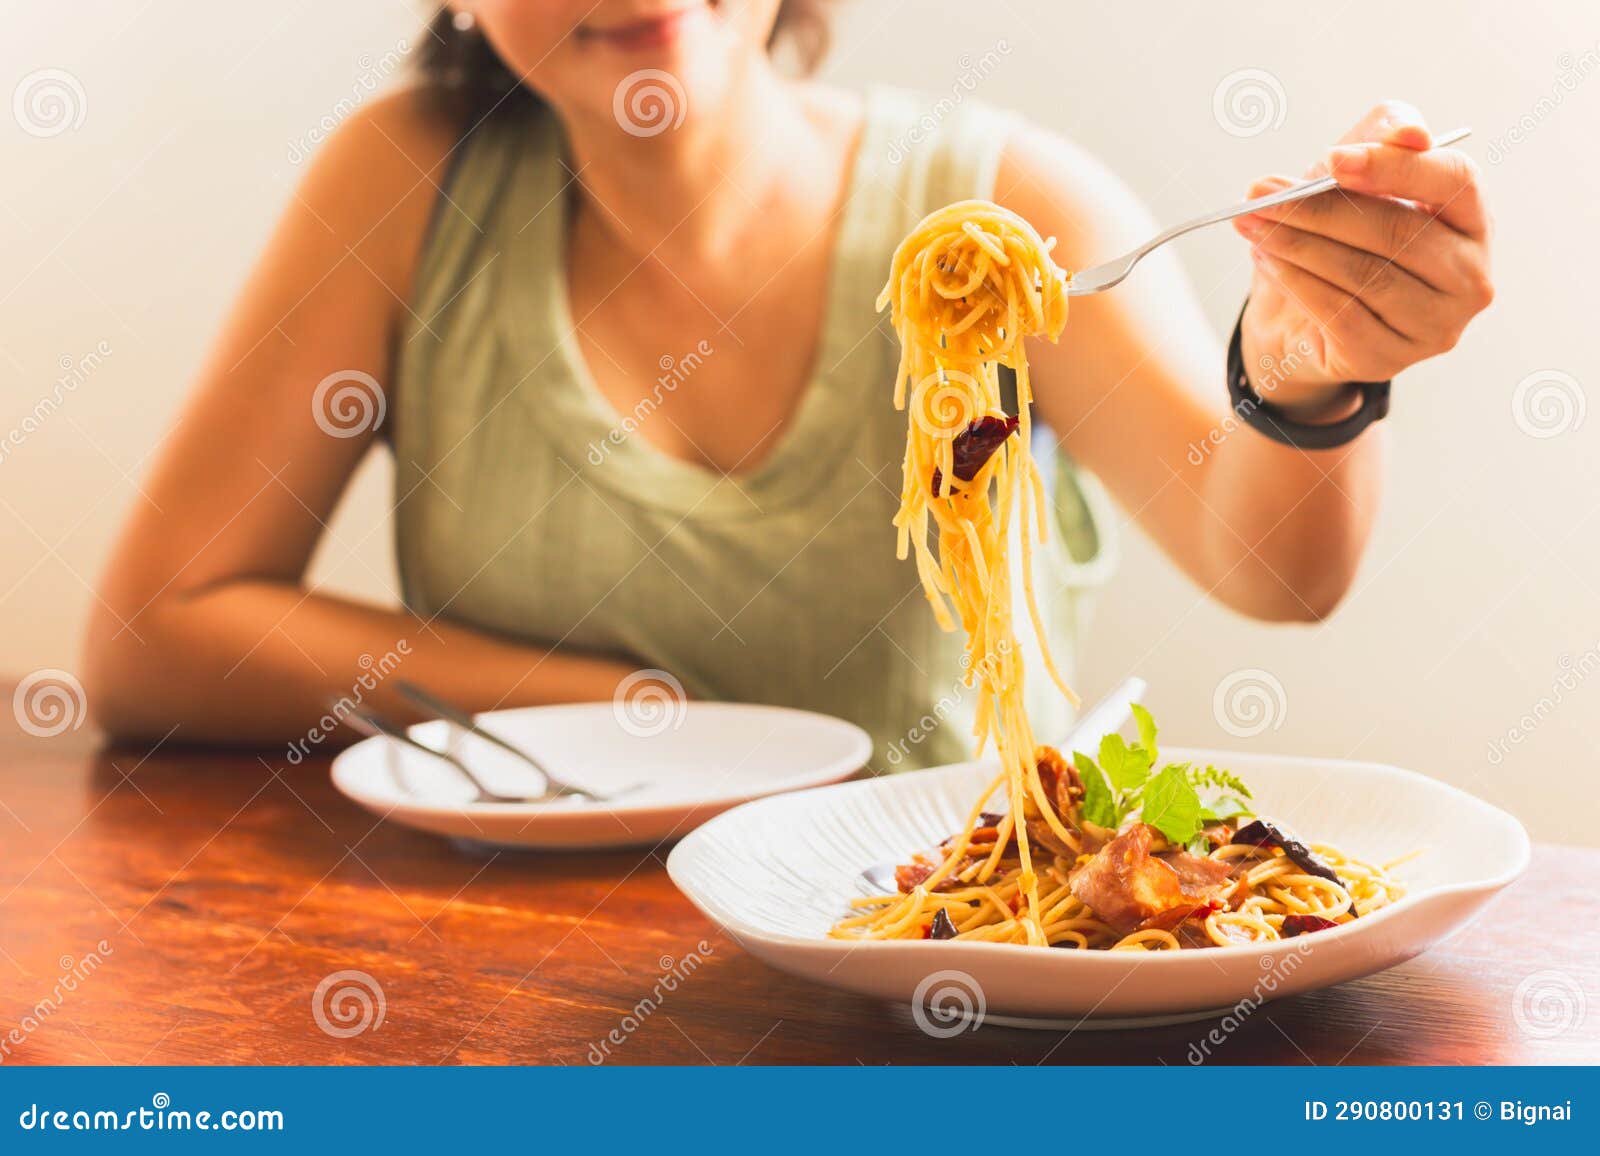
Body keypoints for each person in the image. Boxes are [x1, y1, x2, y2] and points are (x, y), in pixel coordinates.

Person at [83, 2, 1493, 769]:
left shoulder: (1004, 209)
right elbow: (160, 635)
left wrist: (1312, 371)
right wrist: (613, 706)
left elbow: (1274, 571)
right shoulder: (406, 180)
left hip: (941, 975)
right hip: (527, 988)